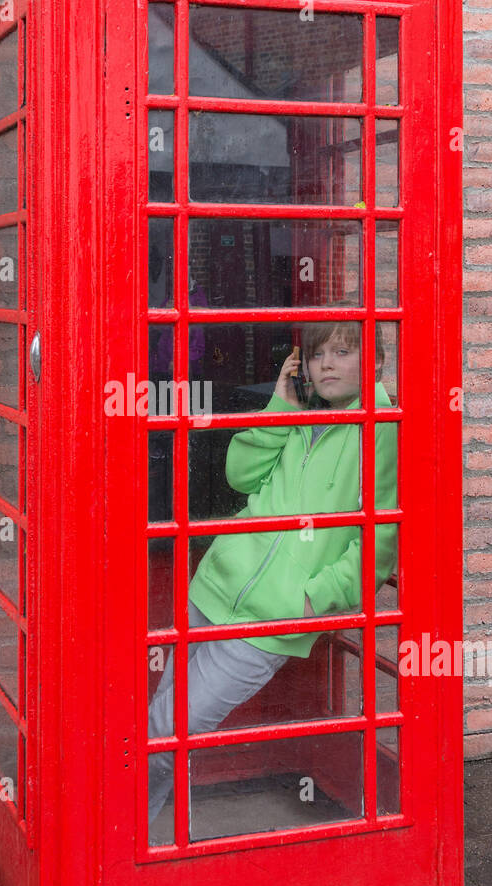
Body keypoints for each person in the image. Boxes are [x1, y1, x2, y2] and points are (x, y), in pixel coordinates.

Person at [147, 320, 398, 824]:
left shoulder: (384, 426)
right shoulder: (302, 414)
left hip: (274, 622)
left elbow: (382, 537)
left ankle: (131, 834)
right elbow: (238, 474)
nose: (326, 364)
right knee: (163, 723)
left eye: (343, 352)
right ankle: (146, 836)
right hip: (214, 585)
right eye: (317, 354)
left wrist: (315, 599)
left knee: (167, 728)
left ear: (373, 362)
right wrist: (282, 406)